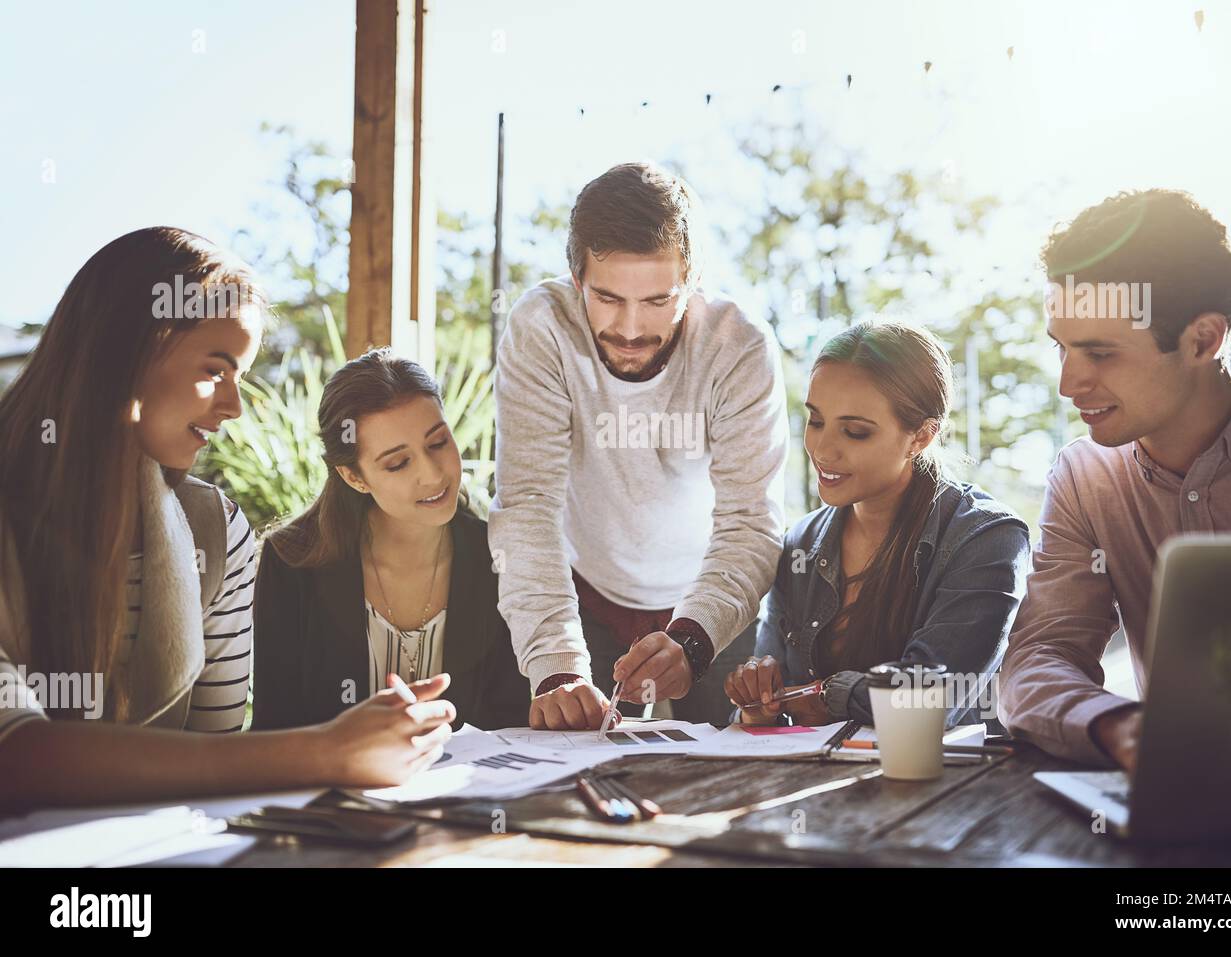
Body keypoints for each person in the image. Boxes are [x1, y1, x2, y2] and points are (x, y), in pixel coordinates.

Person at [0, 227, 454, 806]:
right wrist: (326, 750)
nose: (234, 406)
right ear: (126, 351)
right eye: (217, 369)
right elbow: (14, 757)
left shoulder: (216, 534)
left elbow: (214, 758)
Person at [998, 189, 1231, 769]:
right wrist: (1115, 724)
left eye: (1100, 354)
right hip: (1178, 809)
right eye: (1060, 347)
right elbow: (1041, 654)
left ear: (1203, 340)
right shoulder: (1086, 477)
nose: (1068, 384)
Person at [489, 162, 788, 730]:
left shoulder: (739, 344)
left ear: (692, 282)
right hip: (582, 594)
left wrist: (694, 640)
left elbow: (751, 522)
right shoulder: (542, 326)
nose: (630, 328)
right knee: (569, 764)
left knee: (730, 777)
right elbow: (528, 507)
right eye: (606, 297)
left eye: (657, 301)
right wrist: (555, 666)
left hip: (714, 595)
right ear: (576, 279)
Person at [725, 320, 1030, 727]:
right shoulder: (799, 544)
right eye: (815, 422)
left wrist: (825, 694)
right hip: (819, 780)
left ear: (921, 436)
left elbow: (932, 702)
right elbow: (778, 702)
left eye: (855, 432)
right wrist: (757, 705)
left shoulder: (987, 539)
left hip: (948, 783)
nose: (823, 449)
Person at [252, 349, 529, 732]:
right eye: (398, 463)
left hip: (472, 789)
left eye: (437, 443)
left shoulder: (498, 557)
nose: (432, 475)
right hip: (331, 788)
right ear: (354, 477)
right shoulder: (291, 562)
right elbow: (273, 730)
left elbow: (511, 723)